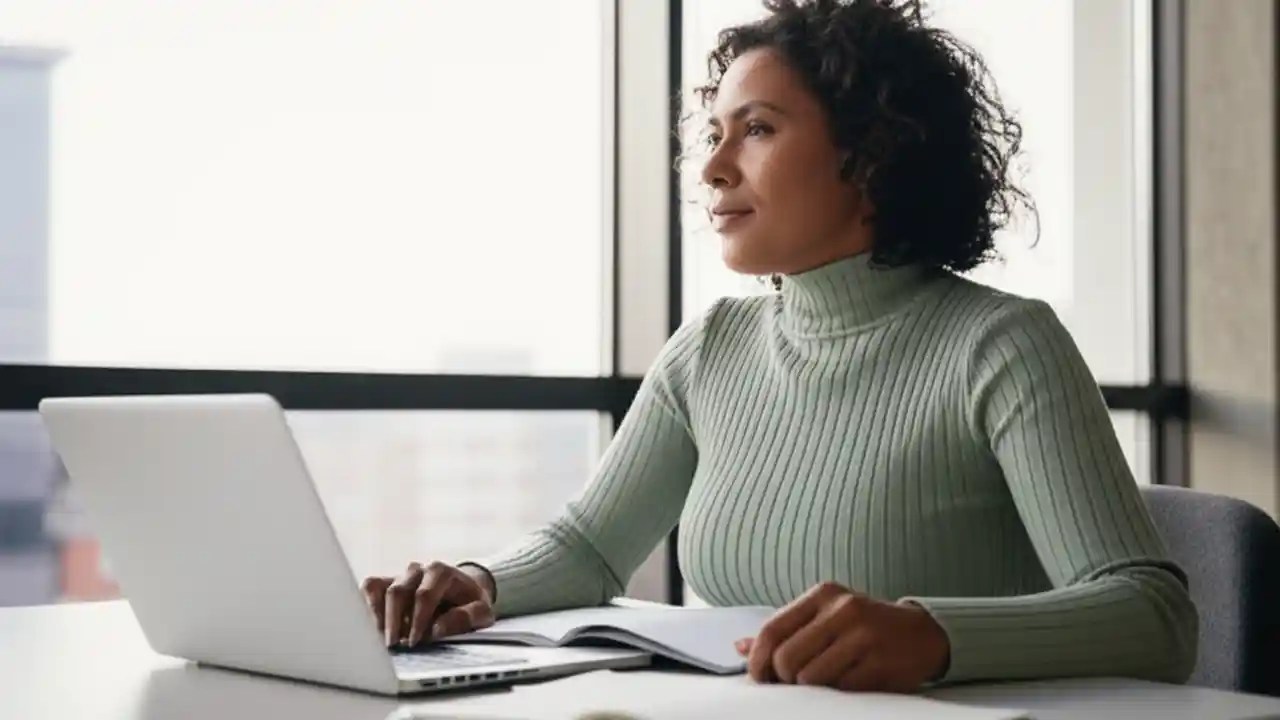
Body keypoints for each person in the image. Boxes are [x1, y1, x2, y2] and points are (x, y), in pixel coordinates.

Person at [361, 0, 1198, 694]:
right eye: (716, 133)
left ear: (871, 156)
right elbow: (588, 548)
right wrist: (480, 585)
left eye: (756, 129)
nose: (714, 169)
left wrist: (930, 634)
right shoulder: (711, 348)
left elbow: (1152, 614)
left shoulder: (1001, 345)